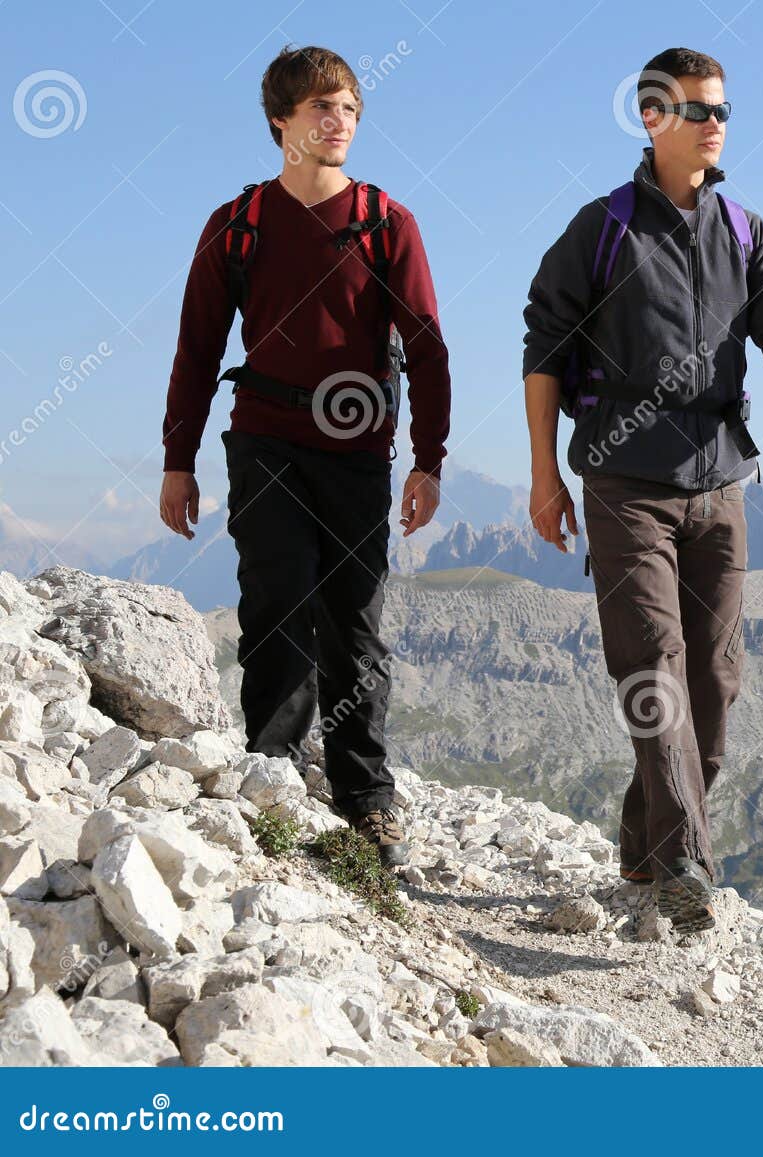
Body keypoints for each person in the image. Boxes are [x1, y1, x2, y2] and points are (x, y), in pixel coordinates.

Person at [520, 47, 763, 932]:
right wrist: (547, 474)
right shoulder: (601, 229)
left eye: (724, 109)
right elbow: (544, 345)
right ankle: (685, 868)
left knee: (715, 682)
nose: (716, 123)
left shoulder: (743, 229)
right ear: (653, 117)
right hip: (625, 482)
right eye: (699, 108)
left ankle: (642, 845)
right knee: (652, 667)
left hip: (720, 481)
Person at [158, 45, 452, 866]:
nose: (340, 122)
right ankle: (275, 779)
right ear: (280, 121)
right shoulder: (237, 224)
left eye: (351, 108)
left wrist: (429, 458)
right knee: (275, 607)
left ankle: (368, 799)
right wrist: (177, 460)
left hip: (360, 450)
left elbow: (427, 348)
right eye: (323, 107)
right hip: (264, 441)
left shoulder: (386, 222)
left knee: (354, 625)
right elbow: (195, 348)